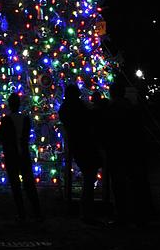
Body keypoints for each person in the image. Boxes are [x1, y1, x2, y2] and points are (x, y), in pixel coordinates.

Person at [59, 83, 102, 222]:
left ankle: (86, 211)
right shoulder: (80, 107)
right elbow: (91, 117)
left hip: (76, 145)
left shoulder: (65, 109)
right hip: (86, 145)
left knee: (88, 177)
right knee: (89, 178)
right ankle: (87, 212)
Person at [0, 92, 41, 220]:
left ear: (10, 105)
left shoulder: (6, 120)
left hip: (11, 155)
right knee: (29, 183)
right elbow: (26, 136)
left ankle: (22, 213)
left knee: (15, 185)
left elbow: (1, 137)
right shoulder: (25, 119)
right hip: (24, 154)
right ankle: (36, 211)